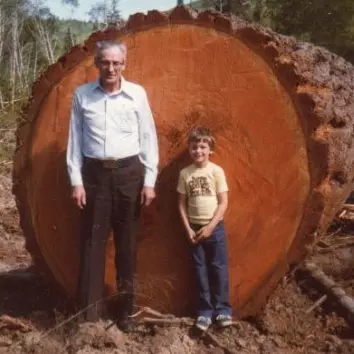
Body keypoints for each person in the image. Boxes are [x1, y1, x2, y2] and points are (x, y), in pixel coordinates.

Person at [66, 40, 158, 332]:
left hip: (129, 175)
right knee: (92, 245)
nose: (111, 68)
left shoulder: (137, 95)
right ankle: (90, 315)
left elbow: (148, 138)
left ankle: (126, 313)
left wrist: (149, 181)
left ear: (124, 64)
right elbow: (75, 143)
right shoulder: (82, 96)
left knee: (127, 246)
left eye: (116, 62)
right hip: (95, 176)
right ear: (97, 64)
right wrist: (77, 182)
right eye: (105, 62)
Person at [177, 126, 232, 331]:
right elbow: (181, 204)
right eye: (194, 147)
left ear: (210, 150)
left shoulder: (216, 171)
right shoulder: (185, 173)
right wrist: (188, 229)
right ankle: (205, 312)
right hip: (194, 229)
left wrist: (211, 227)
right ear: (189, 149)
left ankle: (223, 309)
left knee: (218, 269)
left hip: (214, 229)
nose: (198, 151)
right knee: (200, 271)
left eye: (202, 147)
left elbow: (223, 202)